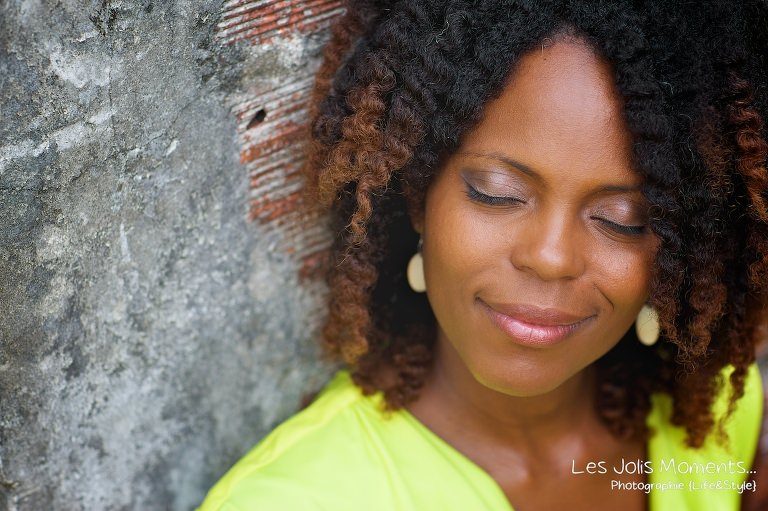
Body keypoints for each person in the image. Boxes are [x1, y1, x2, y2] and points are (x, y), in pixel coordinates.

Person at [199, 1, 768, 509]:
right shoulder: (295, 499)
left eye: (624, 221)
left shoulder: (717, 426)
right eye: (498, 193)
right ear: (420, 196)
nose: (550, 257)